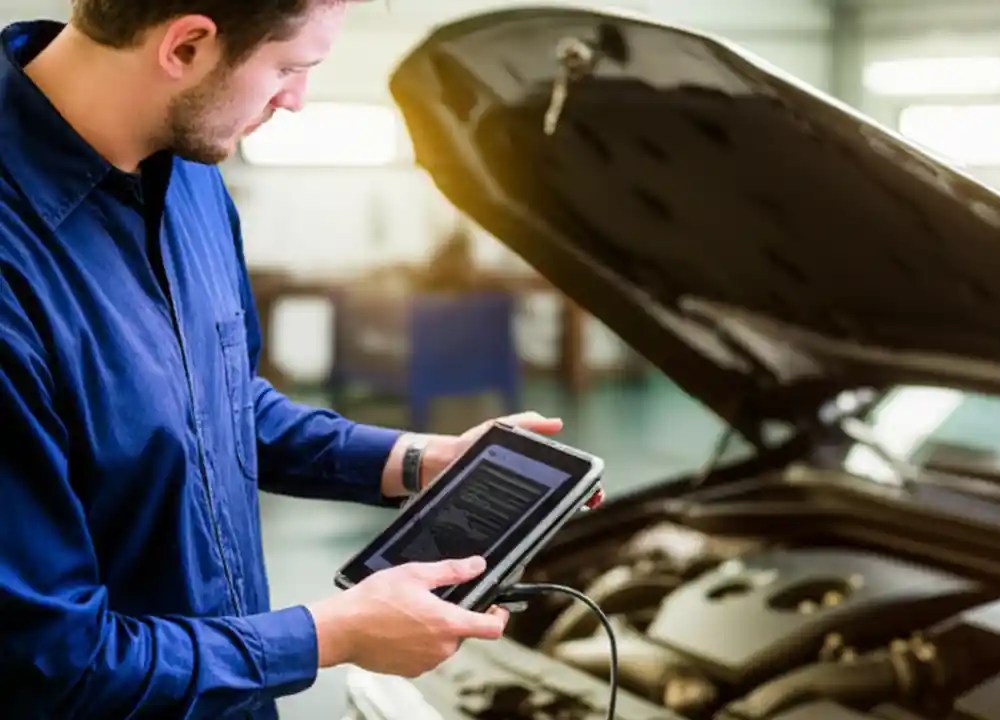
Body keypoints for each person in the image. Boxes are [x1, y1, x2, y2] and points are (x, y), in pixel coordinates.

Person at [0, 1, 603, 717]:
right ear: (187, 45)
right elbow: (48, 665)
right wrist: (331, 634)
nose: (297, 99)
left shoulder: (188, 173)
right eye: (289, 68)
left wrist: (418, 459)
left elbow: (222, 402)